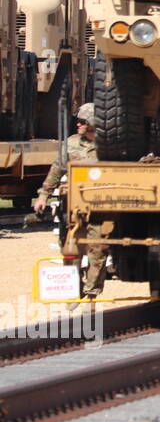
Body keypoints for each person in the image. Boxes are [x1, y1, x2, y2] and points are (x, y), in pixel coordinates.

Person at [35, 103, 107, 297]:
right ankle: (73, 290)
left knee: (98, 250)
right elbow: (56, 170)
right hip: (73, 208)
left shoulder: (109, 146)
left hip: (101, 208)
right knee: (70, 249)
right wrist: (43, 195)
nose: (78, 125)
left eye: (82, 122)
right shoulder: (71, 144)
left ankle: (92, 290)